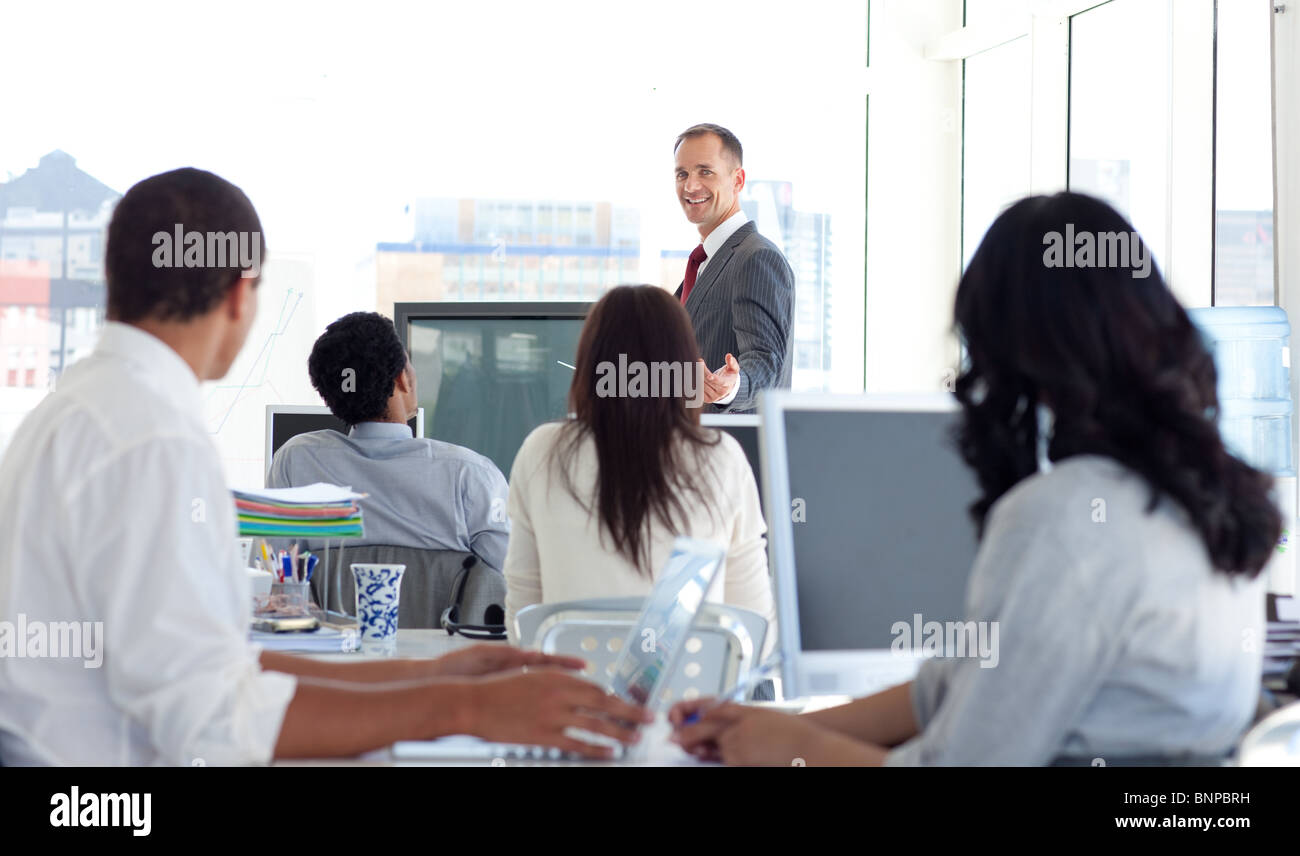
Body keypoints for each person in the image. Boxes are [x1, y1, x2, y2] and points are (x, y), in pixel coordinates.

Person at [0, 168, 648, 766]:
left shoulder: (78, 412)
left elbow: (219, 671)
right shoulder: (154, 439)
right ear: (237, 293)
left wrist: (434, 673)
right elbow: (214, 716)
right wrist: (465, 708)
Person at [670, 192, 1280, 765]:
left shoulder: (1064, 518)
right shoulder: (1204, 498)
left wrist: (793, 749)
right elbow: (957, 681)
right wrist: (772, 727)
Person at [503, 285, 776, 648]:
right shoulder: (722, 459)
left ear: (589, 365)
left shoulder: (541, 452)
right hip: (687, 703)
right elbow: (757, 633)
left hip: (572, 700)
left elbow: (521, 625)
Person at [268, 311, 509, 572]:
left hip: (328, 614)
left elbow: (272, 573)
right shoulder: (469, 475)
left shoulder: (296, 461)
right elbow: (513, 579)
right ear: (401, 378)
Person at [671, 123, 794, 413]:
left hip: (734, 451)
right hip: (689, 448)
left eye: (705, 171)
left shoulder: (756, 258)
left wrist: (732, 387)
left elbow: (766, 363)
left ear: (738, 180)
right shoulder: (704, 263)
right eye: (682, 174)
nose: (690, 186)